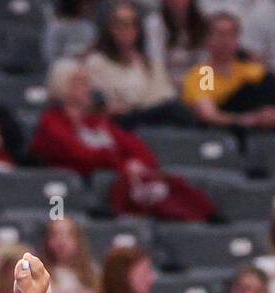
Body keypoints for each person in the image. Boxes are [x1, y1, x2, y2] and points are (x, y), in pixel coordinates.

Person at [32, 58, 214, 221]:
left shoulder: (97, 121)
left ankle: (204, 216)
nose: (88, 87)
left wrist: (128, 163)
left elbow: (141, 152)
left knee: (167, 182)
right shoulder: (51, 123)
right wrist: (123, 164)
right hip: (85, 192)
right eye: (80, 82)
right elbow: (81, 156)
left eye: (87, 82)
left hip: (122, 186)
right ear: (62, 86)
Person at [182, 12, 275, 132]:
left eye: (231, 34)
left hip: (266, 130)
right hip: (227, 131)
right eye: (220, 34)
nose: (225, 40)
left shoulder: (253, 70)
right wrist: (247, 119)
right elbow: (208, 114)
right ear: (207, 39)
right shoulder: (203, 74)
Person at [83, 0, 184, 128]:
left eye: (132, 25)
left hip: (151, 119)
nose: (126, 30)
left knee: (177, 110)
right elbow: (101, 103)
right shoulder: (96, 63)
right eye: (121, 24)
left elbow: (164, 96)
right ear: (110, 28)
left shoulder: (149, 64)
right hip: (120, 122)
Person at [39, 217, 98, 293]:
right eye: (55, 235)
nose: (61, 241)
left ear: (78, 240)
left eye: (68, 235)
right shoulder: (39, 274)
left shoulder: (92, 273)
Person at [147, 0, 209, 83]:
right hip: (166, 84)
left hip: (196, 85)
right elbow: (156, 62)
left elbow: (206, 61)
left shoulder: (203, 21)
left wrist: (203, 90)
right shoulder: (154, 23)